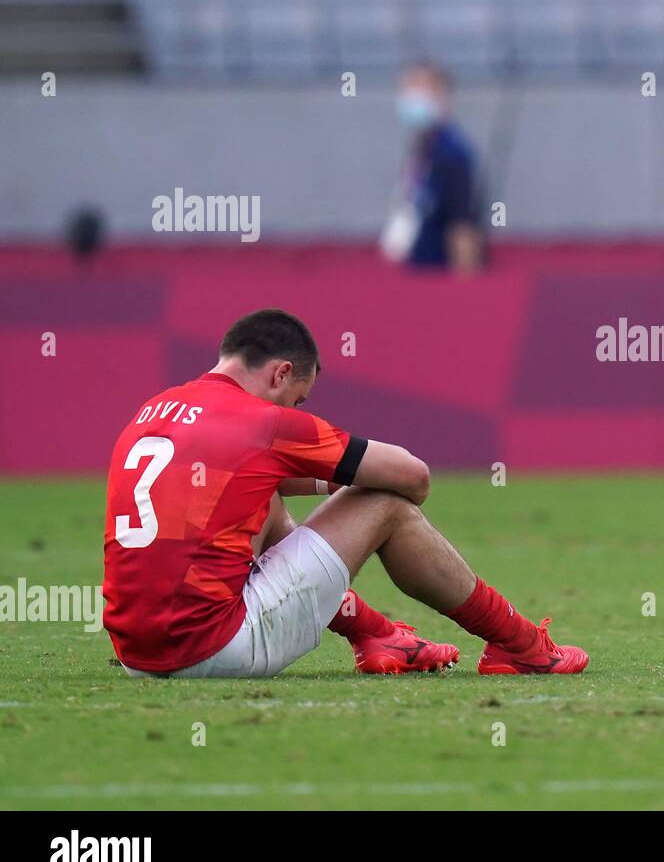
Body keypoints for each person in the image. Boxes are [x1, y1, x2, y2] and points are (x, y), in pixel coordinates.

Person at [101, 308, 587, 679]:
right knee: (386, 505)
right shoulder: (265, 422)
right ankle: (520, 645)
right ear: (280, 374)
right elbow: (413, 476)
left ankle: (376, 634)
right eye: (299, 399)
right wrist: (340, 477)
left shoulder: (154, 410)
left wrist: (299, 476)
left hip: (136, 654)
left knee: (263, 497)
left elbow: (237, 479)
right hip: (212, 648)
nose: (296, 407)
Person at [381, 63, 485, 272]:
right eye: (406, 89)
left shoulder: (451, 153)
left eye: (418, 89)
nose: (409, 97)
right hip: (421, 271)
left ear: (442, 96)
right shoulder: (423, 148)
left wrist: (464, 290)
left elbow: (463, 225)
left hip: (441, 277)